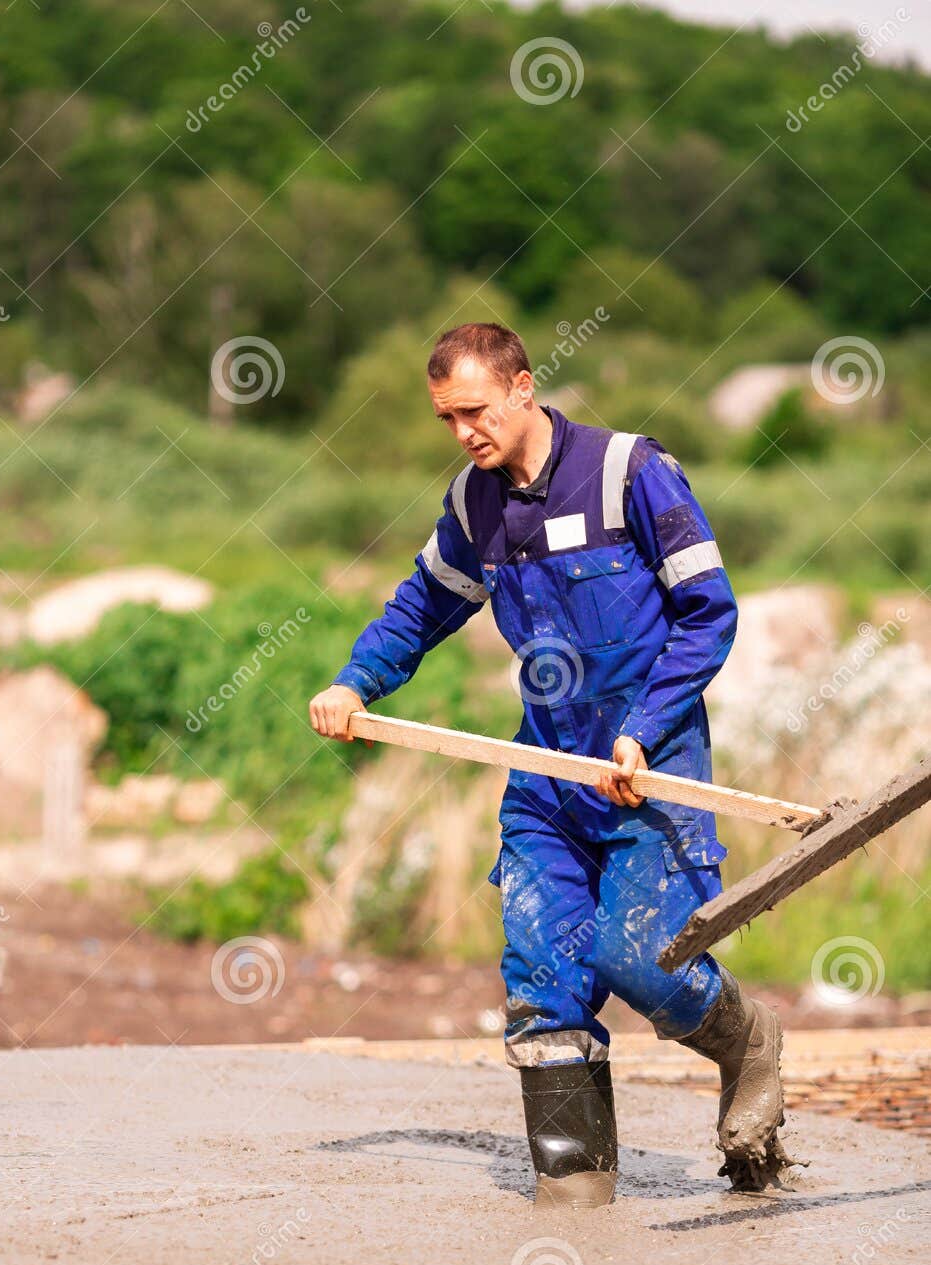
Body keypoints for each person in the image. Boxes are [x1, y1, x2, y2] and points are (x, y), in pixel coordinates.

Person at [309, 322, 795, 1209]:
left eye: (473, 411)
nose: (461, 433)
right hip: (546, 773)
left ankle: (746, 1040)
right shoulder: (473, 504)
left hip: (650, 762)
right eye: (445, 419)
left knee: (642, 960)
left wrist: (643, 729)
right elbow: (421, 607)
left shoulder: (629, 473)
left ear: (522, 387)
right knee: (542, 976)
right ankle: (574, 1206)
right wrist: (354, 683)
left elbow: (707, 612)